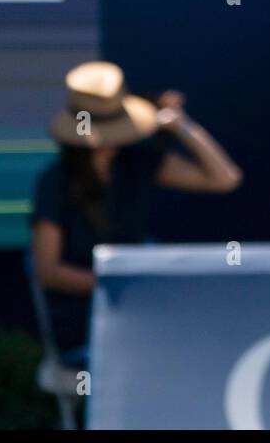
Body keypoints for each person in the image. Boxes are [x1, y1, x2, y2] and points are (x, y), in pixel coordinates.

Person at [30, 62, 242, 360]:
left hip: (144, 319)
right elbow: (48, 272)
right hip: (85, 326)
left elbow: (224, 179)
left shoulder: (137, 164)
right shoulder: (54, 183)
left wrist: (181, 126)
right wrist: (119, 285)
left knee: (196, 349)